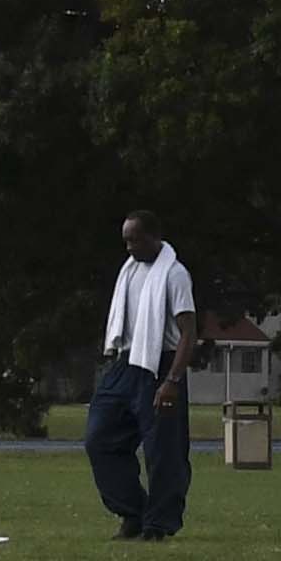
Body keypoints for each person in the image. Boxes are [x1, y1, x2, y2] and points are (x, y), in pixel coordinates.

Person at [87, 213, 201, 542]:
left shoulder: (175, 274)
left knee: (163, 450)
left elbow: (188, 333)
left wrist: (172, 381)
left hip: (160, 365)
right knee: (100, 438)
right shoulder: (130, 271)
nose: (129, 247)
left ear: (154, 236)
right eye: (125, 240)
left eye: (135, 239)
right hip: (127, 362)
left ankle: (158, 525)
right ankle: (133, 511)